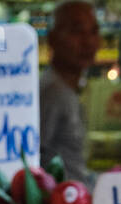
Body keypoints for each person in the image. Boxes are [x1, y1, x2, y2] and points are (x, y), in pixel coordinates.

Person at [39, 1, 100, 183]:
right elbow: (33, 165)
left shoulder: (68, 89)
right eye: (77, 31)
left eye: (94, 31)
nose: (88, 41)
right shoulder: (53, 93)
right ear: (52, 39)